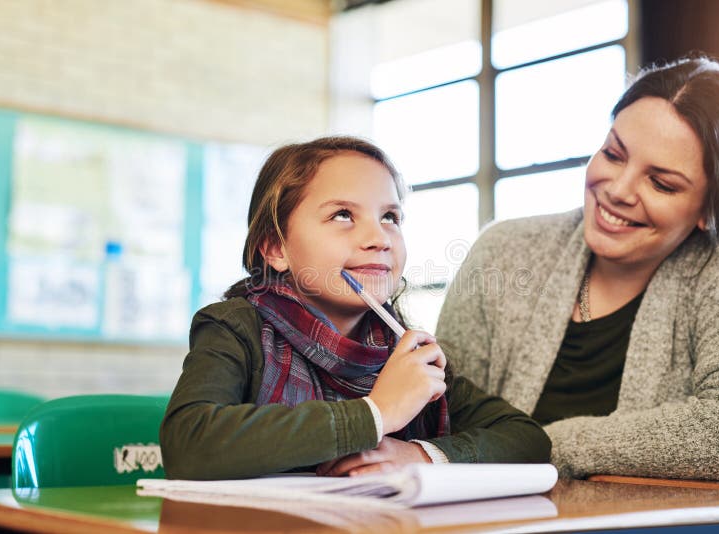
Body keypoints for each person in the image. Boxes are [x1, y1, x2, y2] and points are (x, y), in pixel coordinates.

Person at [436, 55, 719, 481]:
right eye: (613, 154)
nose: (618, 190)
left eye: (661, 183)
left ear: (709, 209)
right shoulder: (502, 252)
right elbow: (442, 415)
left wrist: (536, 446)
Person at [160, 136, 550, 480]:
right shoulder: (235, 326)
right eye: (343, 215)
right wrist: (377, 412)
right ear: (276, 248)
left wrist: (419, 455)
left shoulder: (406, 351)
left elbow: (526, 439)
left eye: (390, 217)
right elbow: (189, 442)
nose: (379, 238)